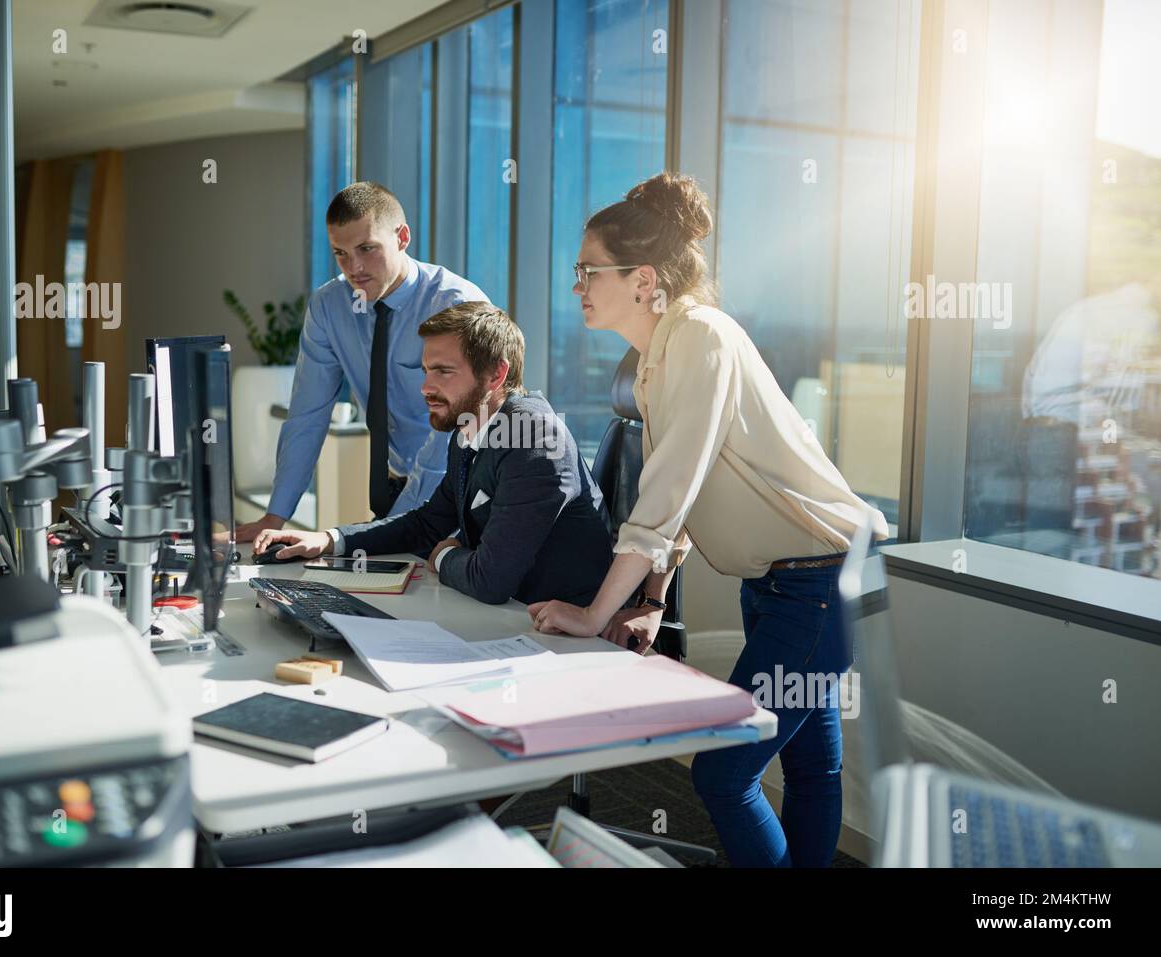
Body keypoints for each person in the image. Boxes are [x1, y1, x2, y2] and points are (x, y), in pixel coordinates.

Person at [528, 172, 889, 867]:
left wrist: (592, 610)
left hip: (822, 583)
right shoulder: (657, 358)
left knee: (723, 773)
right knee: (812, 769)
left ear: (641, 279)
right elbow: (686, 493)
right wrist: (652, 601)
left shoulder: (700, 336)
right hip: (783, 587)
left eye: (587, 270)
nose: (577, 284)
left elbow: (661, 495)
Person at [255, 302, 613, 607]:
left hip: (564, 642)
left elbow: (489, 581)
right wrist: (330, 540)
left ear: (496, 374)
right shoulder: (469, 430)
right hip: (509, 621)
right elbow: (428, 523)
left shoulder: (532, 438)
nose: (426, 387)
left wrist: (443, 555)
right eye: (426, 371)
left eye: (444, 371)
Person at [235, 182, 486, 543]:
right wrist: (275, 516)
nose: (355, 267)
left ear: (402, 237)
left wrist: (394, 530)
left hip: (461, 499)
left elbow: (457, 428)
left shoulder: (455, 303)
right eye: (341, 253)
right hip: (398, 493)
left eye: (367, 249)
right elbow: (307, 415)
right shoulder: (329, 307)